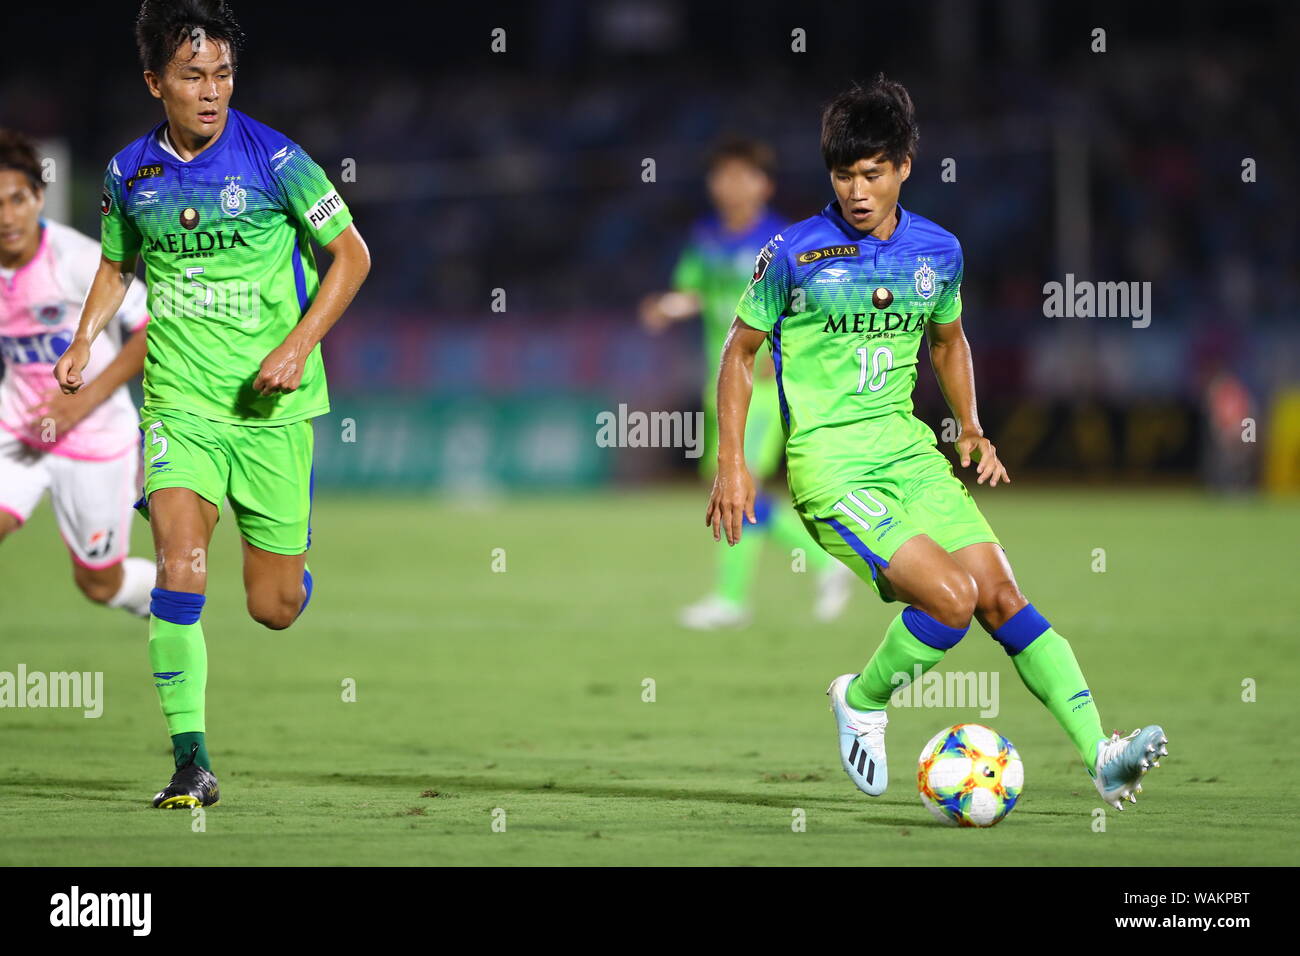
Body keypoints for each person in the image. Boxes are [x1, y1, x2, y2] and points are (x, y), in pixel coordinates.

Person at [706, 76, 1166, 810]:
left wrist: (973, 426)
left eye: (873, 173)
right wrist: (732, 464)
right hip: (830, 465)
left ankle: (1102, 756)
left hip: (909, 450)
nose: (857, 191)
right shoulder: (792, 253)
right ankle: (860, 698)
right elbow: (739, 352)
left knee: (999, 595)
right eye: (844, 175)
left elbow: (950, 342)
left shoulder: (939, 251)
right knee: (950, 602)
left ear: (904, 166)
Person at [54, 0, 370, 809]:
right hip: (179, 404)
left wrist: (296, 347)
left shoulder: (277, 159)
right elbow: (118, 265)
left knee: (273, 607)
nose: (211, 90)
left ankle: (295, 572)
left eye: (223, 74)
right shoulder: (131, 173)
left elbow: (351, 256)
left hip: (272, 412)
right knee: (179, 571)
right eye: (193, 75)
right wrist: (86, 338)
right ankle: (190, 762)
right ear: (155, 80)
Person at [640, 137, 850, 629]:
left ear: (764, 184)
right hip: (726, 384)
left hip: (765, 386)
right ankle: (824, 564)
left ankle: (732, 599)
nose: (731, 185)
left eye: (743, 175)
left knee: (739, 483)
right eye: (722, 175)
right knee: (729, 486)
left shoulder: (785, 241)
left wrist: (784, 355)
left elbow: (813, 306)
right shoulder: (706, 238)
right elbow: (696, 293)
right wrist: (666, 307)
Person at [0, 128, 154, 618]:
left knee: (99, 584)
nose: (7, 217)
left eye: (18, 199)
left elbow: (151, 334)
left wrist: (80, 402)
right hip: (16, 434)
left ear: (39, 196)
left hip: (95, 441)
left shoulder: (79, 260)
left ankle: (173, 597)